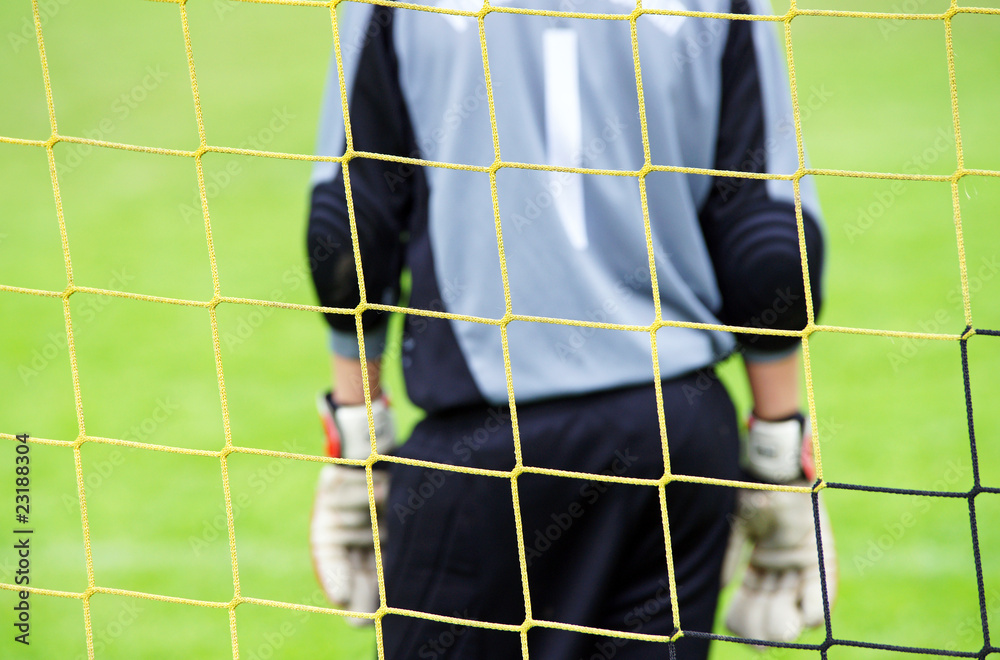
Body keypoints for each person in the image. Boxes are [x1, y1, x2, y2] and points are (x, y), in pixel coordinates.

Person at [305, 0, 835, 657]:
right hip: (673, 440)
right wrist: (780, 459)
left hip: (482, 453)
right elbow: (770, 248)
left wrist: (357, 443)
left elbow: (350, 231)